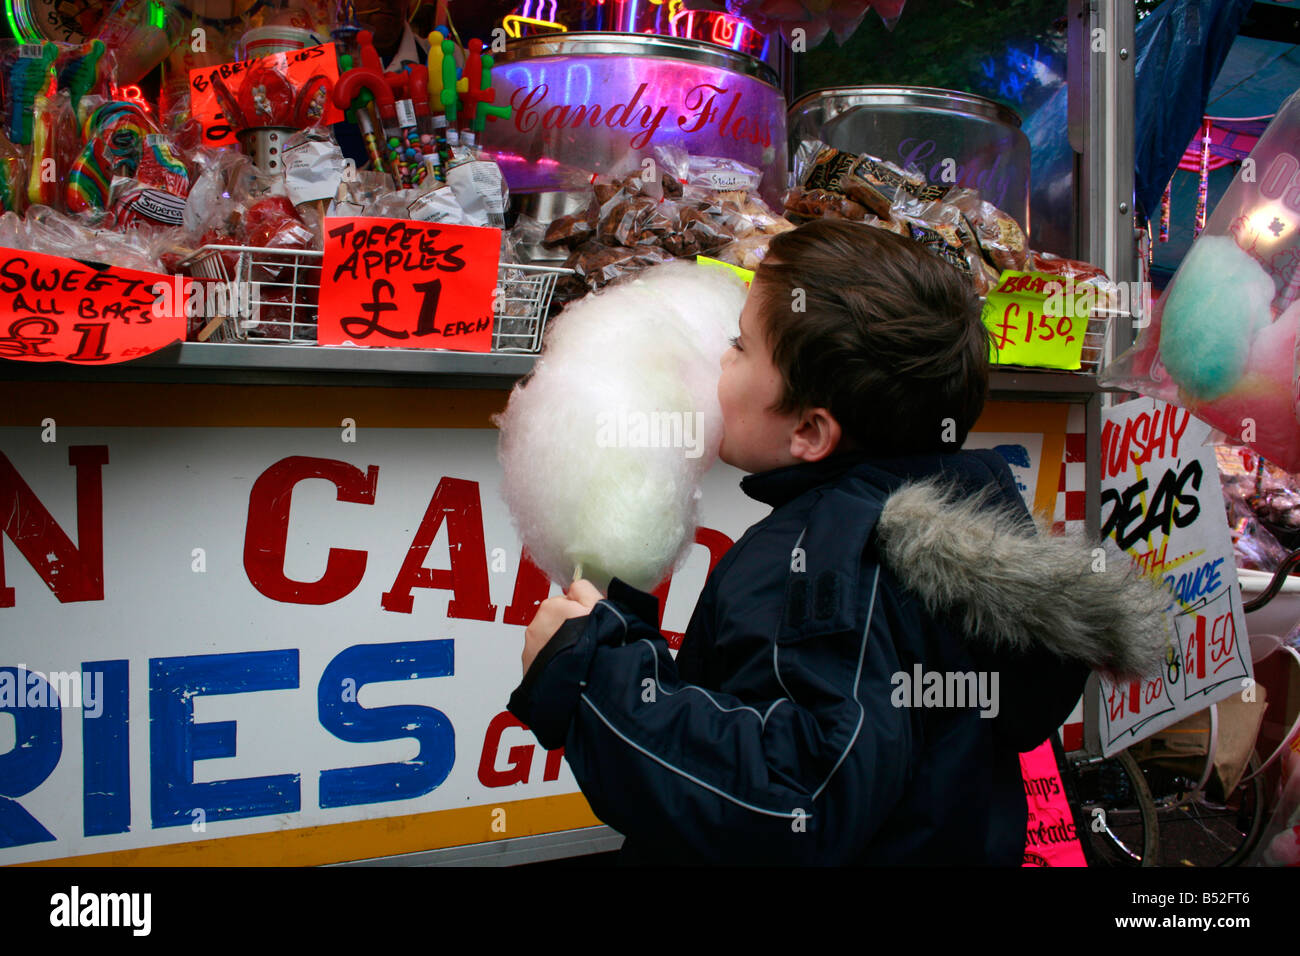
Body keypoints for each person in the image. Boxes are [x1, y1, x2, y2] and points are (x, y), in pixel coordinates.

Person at [506, 219, 1170, 865]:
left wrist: (594, 678)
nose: (716, 358)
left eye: (740, 346)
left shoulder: (820, 564)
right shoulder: (970, 527)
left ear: (810, 433)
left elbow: (794, 802)